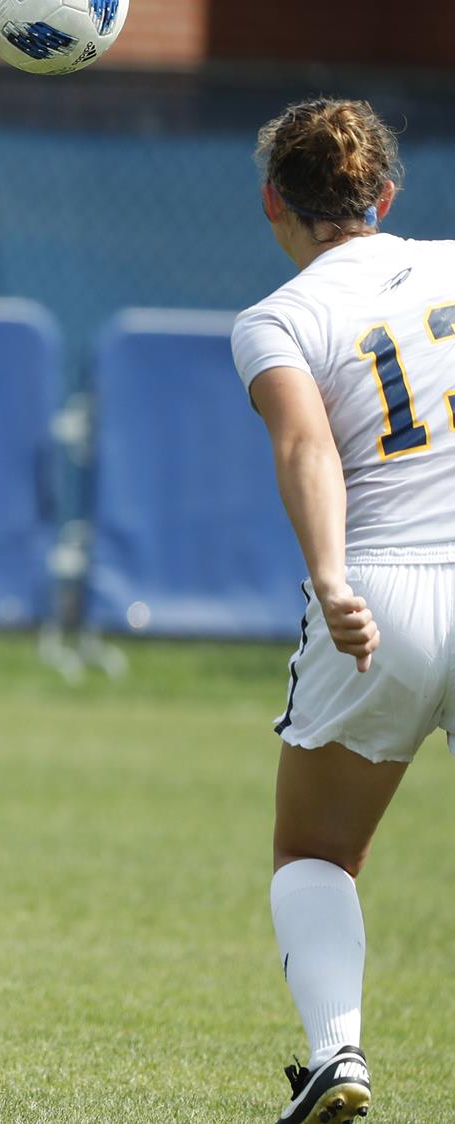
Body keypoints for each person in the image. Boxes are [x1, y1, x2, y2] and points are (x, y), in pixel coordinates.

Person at [233, 97, 452, 1124]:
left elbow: (304, 445)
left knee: (314, 853)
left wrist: (330, 580)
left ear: (272, 202)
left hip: (380, 592)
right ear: (385, 197)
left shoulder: (276, 319)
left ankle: (338, 1054)